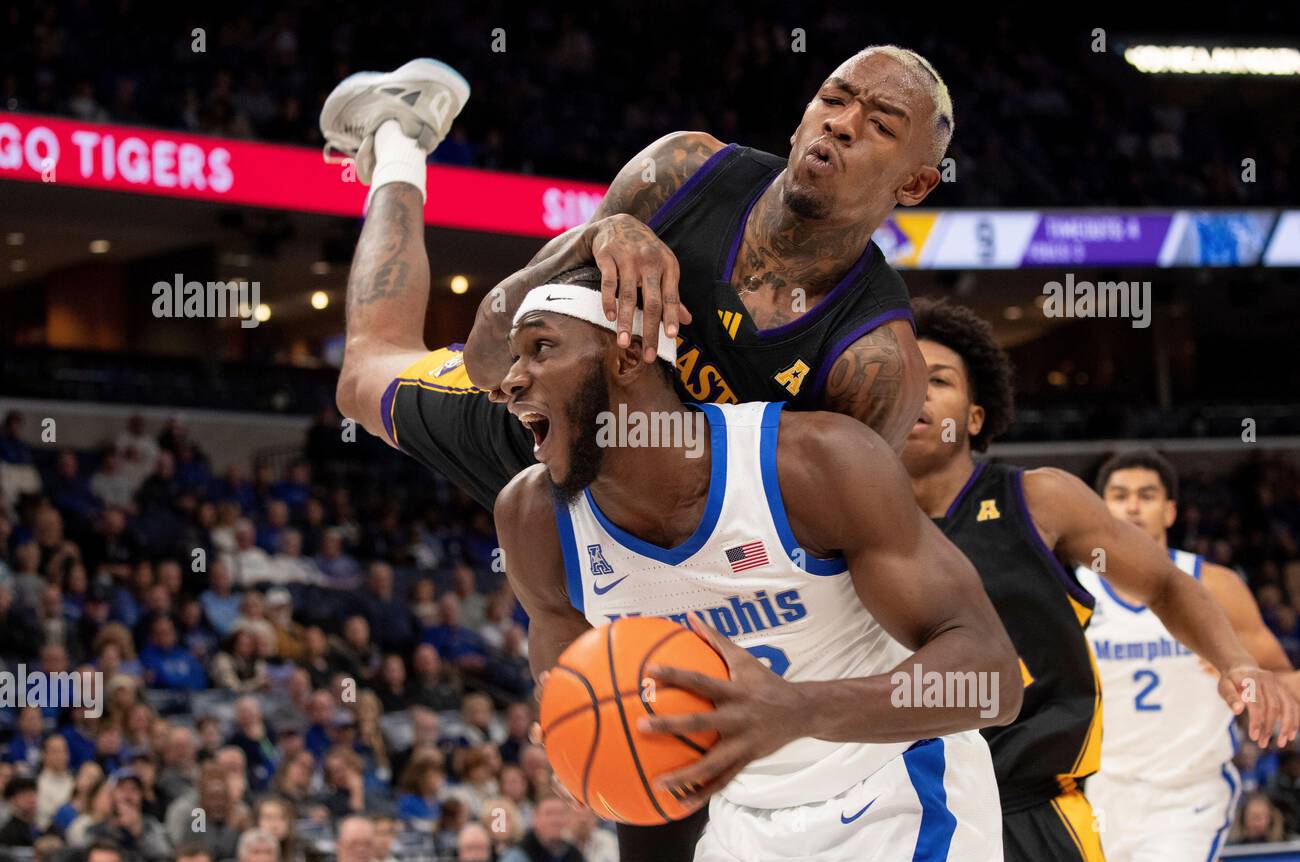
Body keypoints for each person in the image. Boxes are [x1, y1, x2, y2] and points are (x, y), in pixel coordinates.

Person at [493, 269, 1021, 862]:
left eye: (540, 348)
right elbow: (577, 697)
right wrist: (582, 749)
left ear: (631, 353)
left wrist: (802, 709)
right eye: (513, 357)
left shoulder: (814, 462)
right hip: (742, 824)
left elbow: (991, 679)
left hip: (898, 791)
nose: (510, 381)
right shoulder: (532, 519)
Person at [327, 46, 957, 513]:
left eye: (880, 125)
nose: (841, 124)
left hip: (677, 542)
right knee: (362, 379)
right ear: (800, 120)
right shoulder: (680, 174)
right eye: (833, 98)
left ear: (915, 184)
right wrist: (593, 235)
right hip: (535, 430)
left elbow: (819, 548)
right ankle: (400, 137)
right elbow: (493, 356)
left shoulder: (872, 366)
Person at [898, 297, 1299, 862]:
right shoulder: (841, 521)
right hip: (900, 805)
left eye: (938, 380)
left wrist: (1235, 664)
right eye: (901, 378)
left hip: (1036, 807)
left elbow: (1163, 584)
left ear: (975, 416)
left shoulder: (1038, 502)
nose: (916, 393)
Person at [1079, 449, 1300, 862]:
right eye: (1119, 495)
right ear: (1099, 509)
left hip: (1188, 792)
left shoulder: (1216, 587)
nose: (1132, 506)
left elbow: (1286, 684)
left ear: (1170, 511)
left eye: (1147, 495)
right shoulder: (1072, 591)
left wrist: (1247, 679)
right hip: (1097, 791)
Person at [496, 796, 586, 862]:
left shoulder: (575, 855)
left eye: (561, 813)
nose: (555, 820)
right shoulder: (516, 857)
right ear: (535, 819)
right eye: (549, 813)